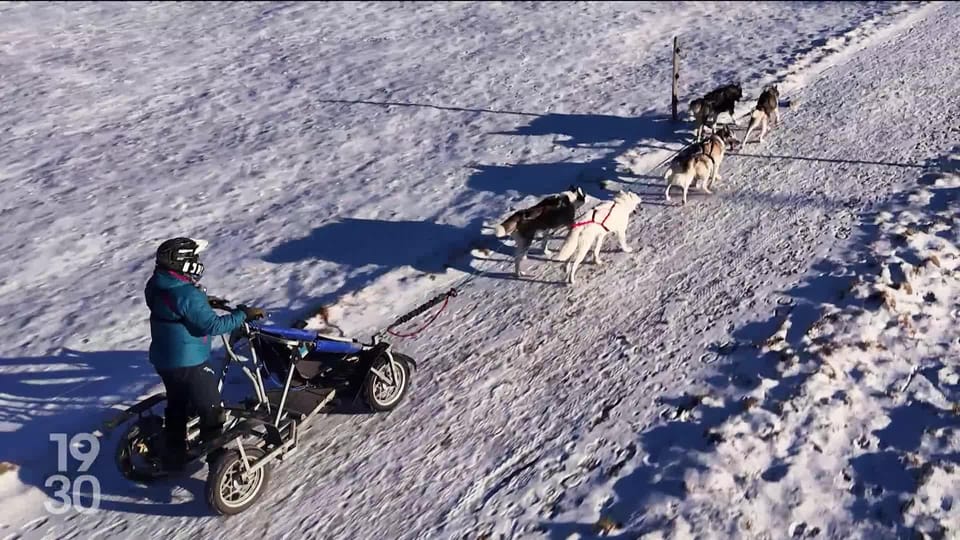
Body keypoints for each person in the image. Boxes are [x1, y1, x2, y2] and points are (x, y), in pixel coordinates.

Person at [144, 237, 264, 471]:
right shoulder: (187, 294)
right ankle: (217, 460)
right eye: (194, 257)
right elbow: (213, 326)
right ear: (183, 262)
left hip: (164, 359)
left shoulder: (156, 284)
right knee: (211, 410)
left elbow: (177, 306)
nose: (198, 261)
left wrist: (204, 301)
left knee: (177, 404)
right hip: (190, 362)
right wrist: (243, 314)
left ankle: (174, 453)